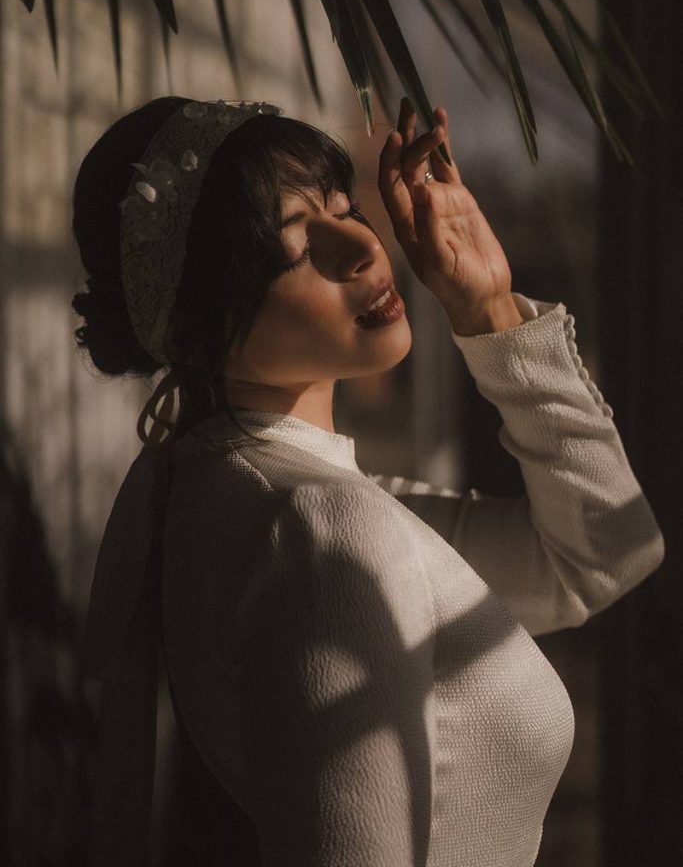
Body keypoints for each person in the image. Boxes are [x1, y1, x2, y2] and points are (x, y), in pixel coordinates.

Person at [72, 94, 664, 867]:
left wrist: (489, 307)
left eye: (342, 208)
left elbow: (600, 555)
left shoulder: (241, 489)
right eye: (296, 246)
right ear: (192, 328)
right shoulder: (319, 531)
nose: (359, 246)